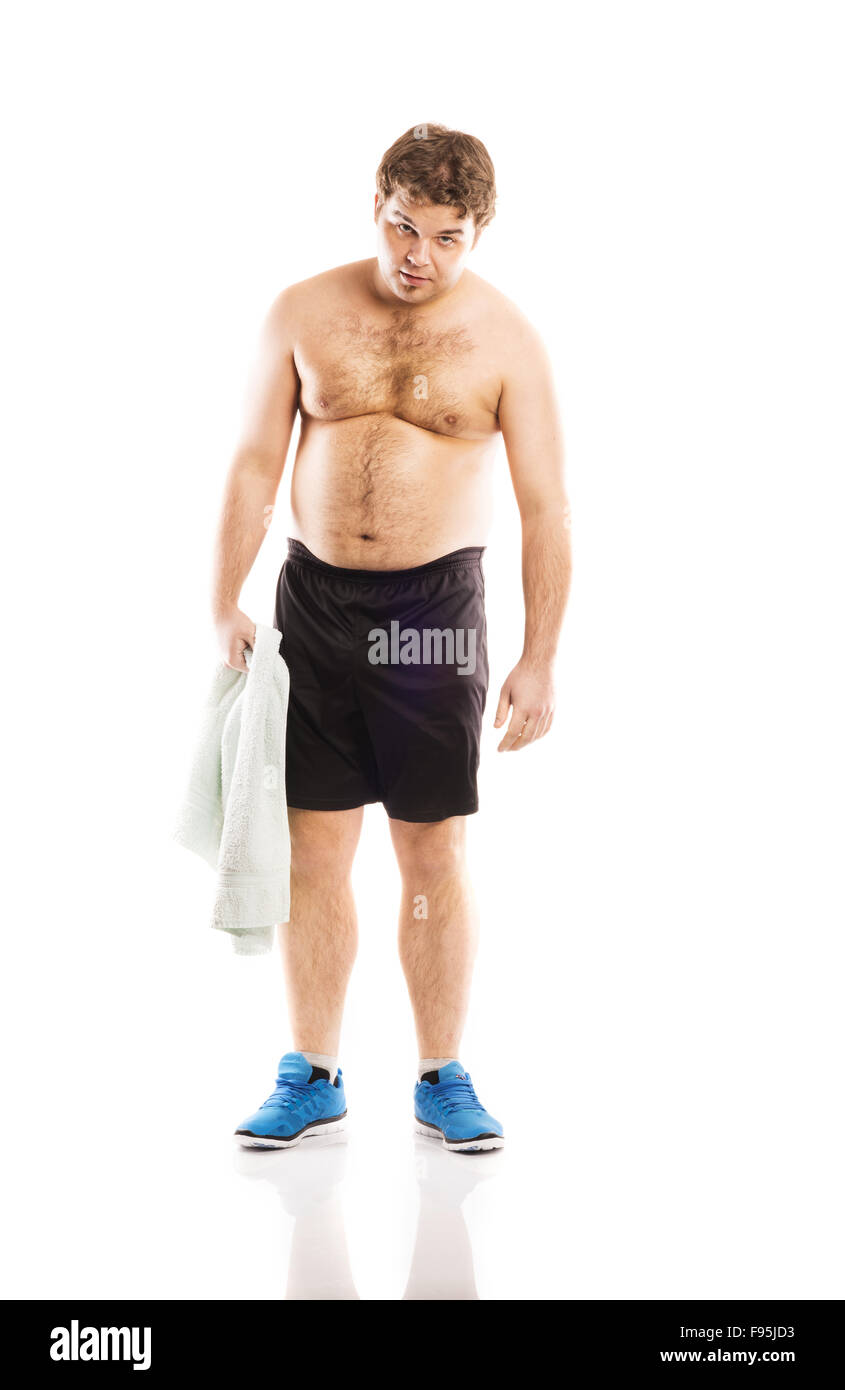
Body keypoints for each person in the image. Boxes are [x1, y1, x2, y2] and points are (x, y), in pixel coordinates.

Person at [211, 124, 572, 1153]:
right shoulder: (304, 312)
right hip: (314, 603)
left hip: (432, 615)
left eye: (447, 237)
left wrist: (538, 658)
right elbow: (250, 463)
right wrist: (222, 598)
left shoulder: (506, 341)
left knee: (432, 853)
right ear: (377, 206)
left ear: (477, 234)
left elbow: (545, 508)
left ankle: (439, 1075)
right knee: (314, 852)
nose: (419, 256)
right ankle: (313, 1070)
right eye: (404, 227)